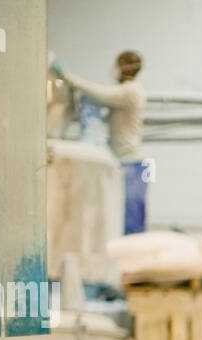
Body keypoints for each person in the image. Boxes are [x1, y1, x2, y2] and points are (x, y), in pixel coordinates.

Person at [51, 51, 149, 233]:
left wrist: (68, 77)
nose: (115, 69)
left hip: (132, 163)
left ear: (125, 67)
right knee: (120, 217)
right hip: (124, 161)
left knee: (130, 220)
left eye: (118, 64)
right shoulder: (126, 91)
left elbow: (99, 93)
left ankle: (131, 258)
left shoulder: (130, 91)